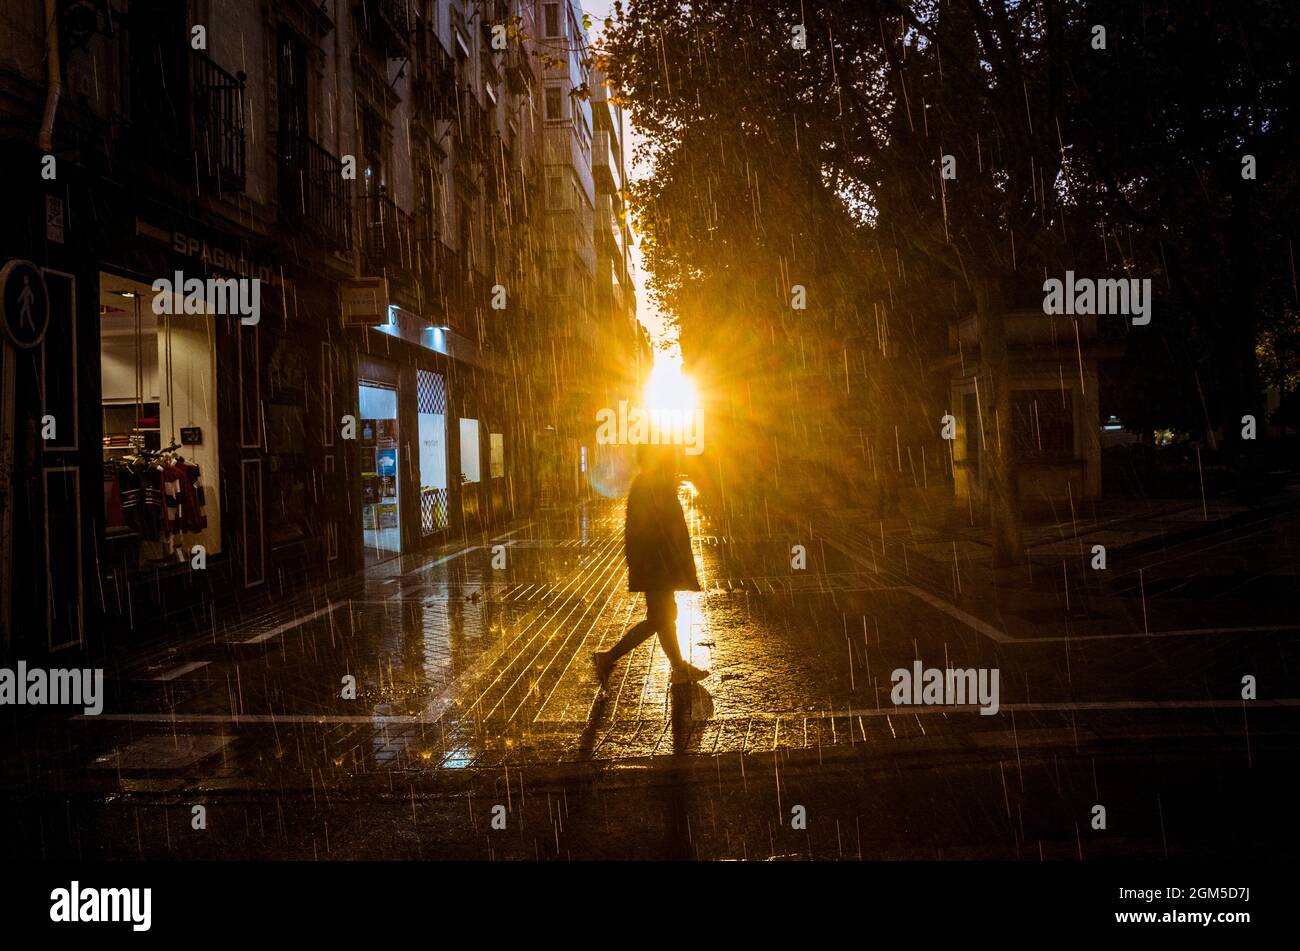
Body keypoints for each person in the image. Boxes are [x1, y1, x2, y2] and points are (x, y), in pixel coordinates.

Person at [593, 444, 709, 687]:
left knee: (664, 615)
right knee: (661, 617)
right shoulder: (651, 486)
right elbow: (659, 529)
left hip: (655, 564)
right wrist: (672, 563)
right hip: (656, 565)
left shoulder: (650, 484)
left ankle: (678, 667)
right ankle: (608, 657)